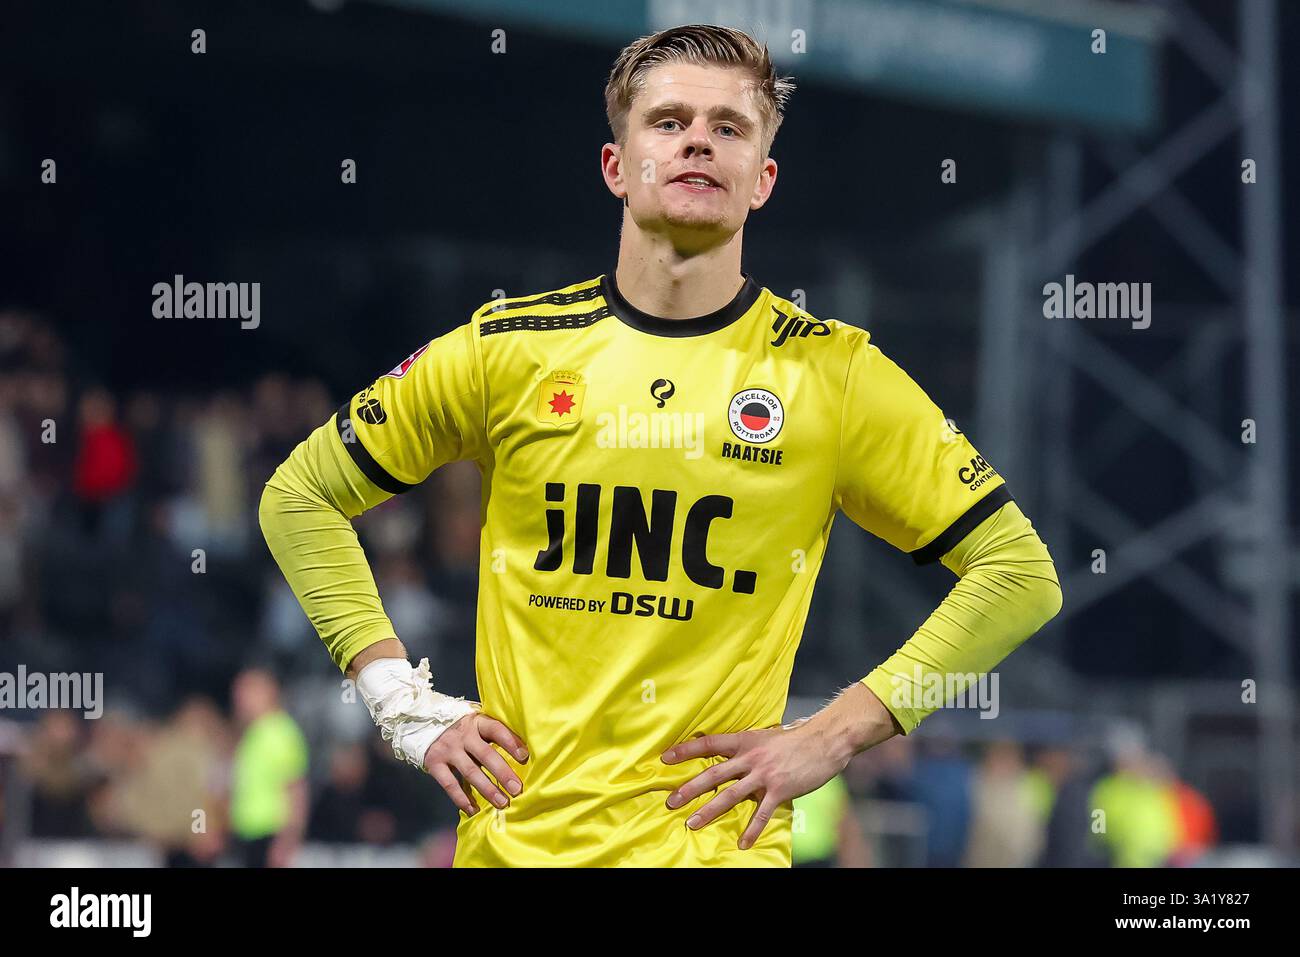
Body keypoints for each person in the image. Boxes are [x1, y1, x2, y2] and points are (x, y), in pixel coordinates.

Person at [259, 23, 1062, 867]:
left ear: (763, 179)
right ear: (617, 166)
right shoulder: (508, 351)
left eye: (729, 128)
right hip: (514, 849)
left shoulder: (835, 375)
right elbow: (298, 495)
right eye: (670, 121)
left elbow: (1019, 577)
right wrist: (400, 702)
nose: (698, 144)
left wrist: (834, 734)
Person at [227, 669, 308, 867]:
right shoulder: (254, 732)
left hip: (270, 833)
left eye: (246, 691)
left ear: (268, 692)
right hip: (247, 833)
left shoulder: (280, 732)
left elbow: (296, 790)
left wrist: (286, 842)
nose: (238, 698)